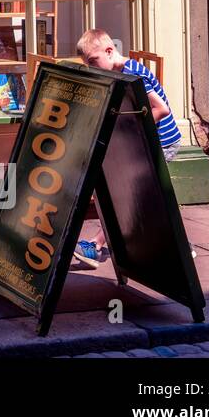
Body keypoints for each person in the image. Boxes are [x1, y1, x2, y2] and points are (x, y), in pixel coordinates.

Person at [74, 28, 180, 261]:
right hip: (141, 142)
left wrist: (130, 129)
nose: (92, 67)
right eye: (87, 64)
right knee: (128, 190)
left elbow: (161, 109)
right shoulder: (117, 72)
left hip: (162, 141)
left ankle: (98, 245)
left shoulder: (133, 73)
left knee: (130, 191)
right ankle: (175, 241)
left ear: (110, 51)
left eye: (93, 61)